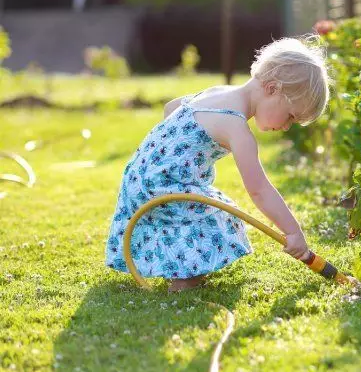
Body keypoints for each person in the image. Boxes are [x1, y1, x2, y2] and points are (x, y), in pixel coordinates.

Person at [105, 36, 330, 292]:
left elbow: (171, 108)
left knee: (205, 207)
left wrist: (175, 156)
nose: (286, 126)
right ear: (272, 88)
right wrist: (293, 232)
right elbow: (260, 191)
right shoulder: (237, 129)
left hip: (137, 178)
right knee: (218, 214)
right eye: (290, 116)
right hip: (161, 188)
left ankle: (178, 264)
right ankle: (184, 280)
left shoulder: (215, 93)